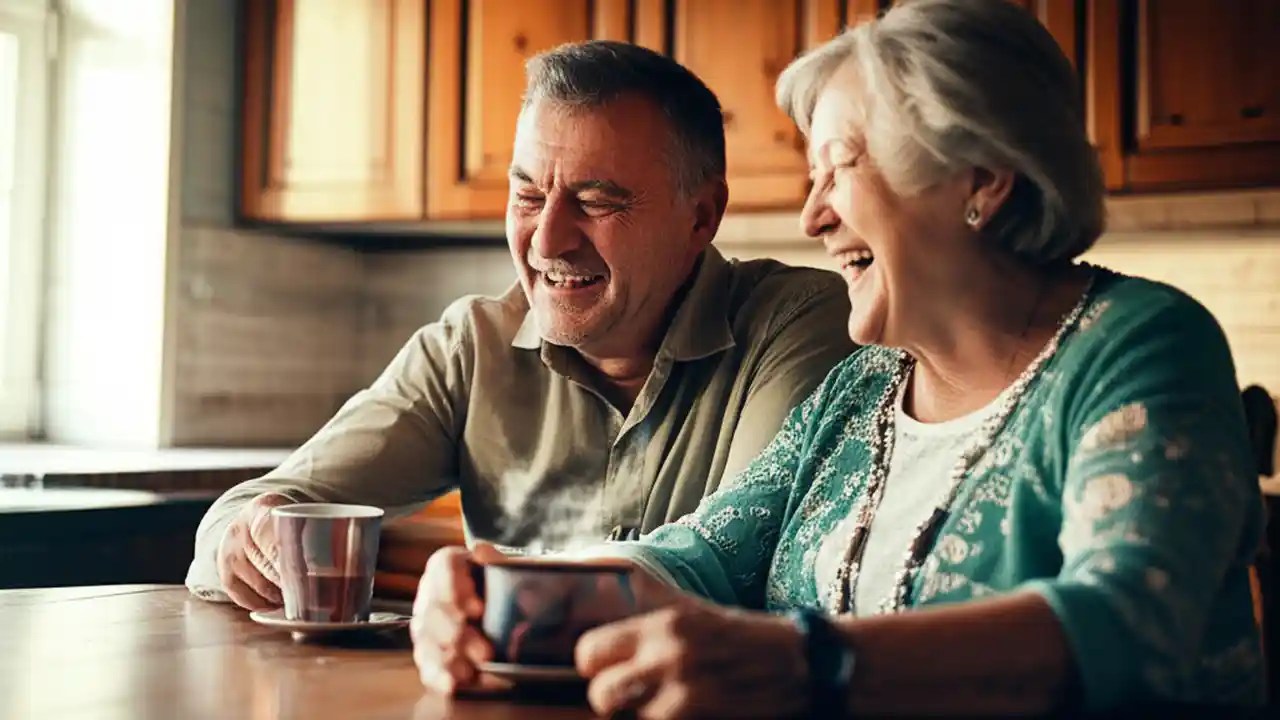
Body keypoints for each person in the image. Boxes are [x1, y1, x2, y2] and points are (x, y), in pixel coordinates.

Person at [411, 1, 1268, 714]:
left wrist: (803, 661)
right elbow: (696, 557)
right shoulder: (862, 388)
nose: (814, 217)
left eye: (840, 170)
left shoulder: (1139, 344)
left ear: (983, 180)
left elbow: (1127, 620)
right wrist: (502, 591)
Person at [185, 41, 853, 610]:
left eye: (595, 202)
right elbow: (252, 509)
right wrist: (247, 537)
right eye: (529, 195)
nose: (548, 240)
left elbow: (732, 563)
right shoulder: (469, 349)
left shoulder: (795, 323)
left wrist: (490, 598)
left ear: (701, 217)